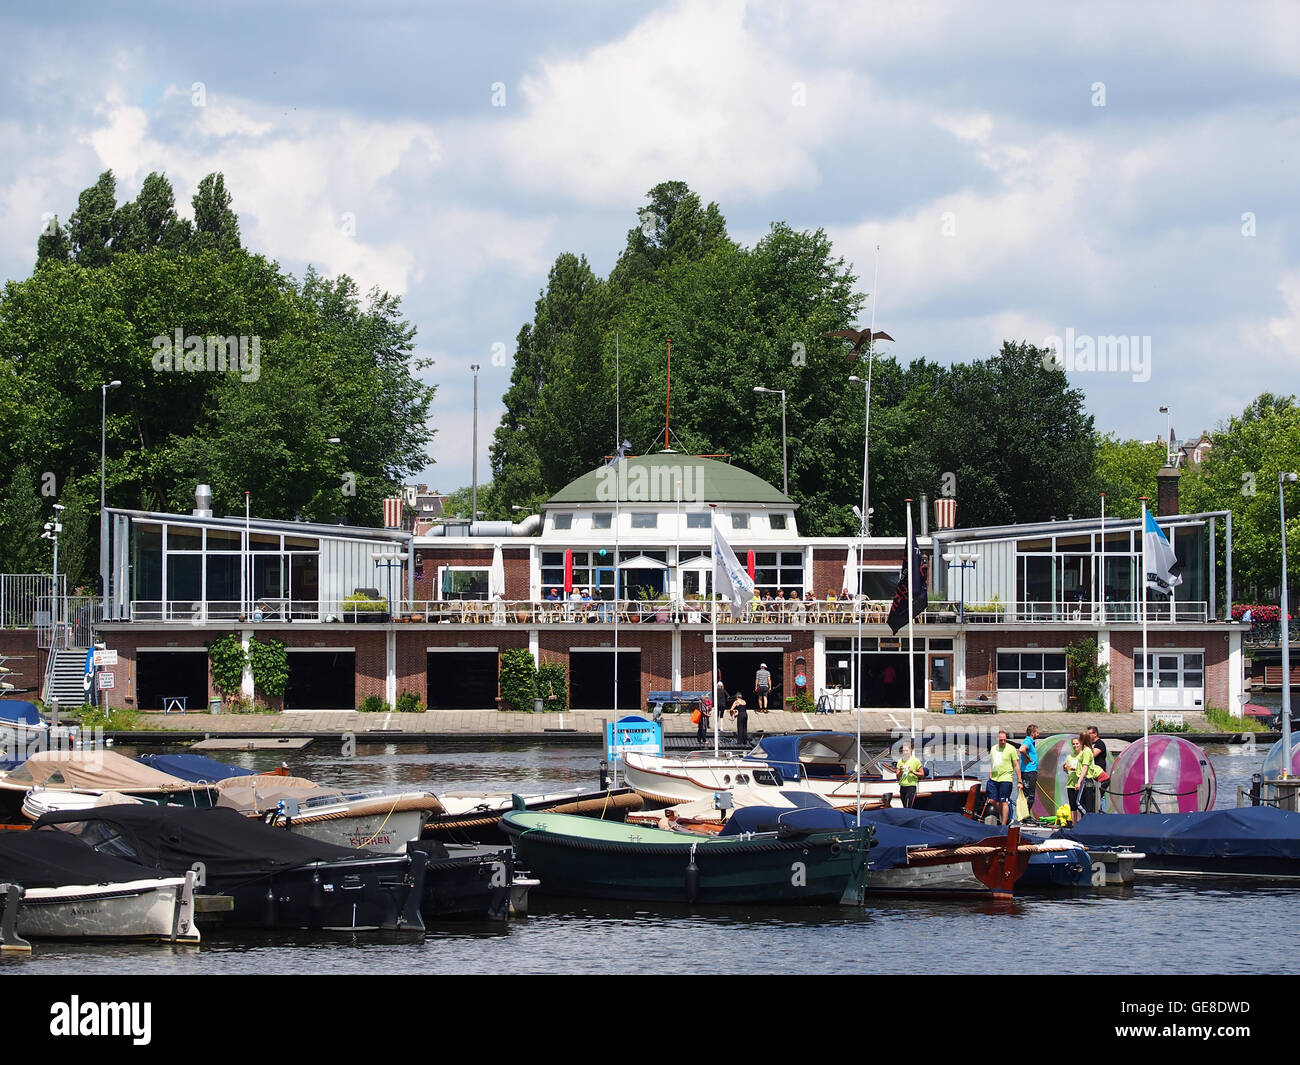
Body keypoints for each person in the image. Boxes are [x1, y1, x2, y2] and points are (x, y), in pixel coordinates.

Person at [986, 729, 1022, 826]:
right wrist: (990, 775)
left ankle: (1003, 824)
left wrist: (1019, 781)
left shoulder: (1011, 749)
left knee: (1004, 802)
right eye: (1001, 740)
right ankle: (1006, 817)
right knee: (992, 800)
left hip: (1006, 779)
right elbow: (992, 763)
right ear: (997, 739)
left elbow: (1016, 765)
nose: (1003, 742)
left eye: (1004, 740)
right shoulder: (993, 748)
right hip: (994, 778)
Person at [1018, 724, 1040, 820]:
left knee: (1030, 794)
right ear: (1033, 733)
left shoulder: (1031, 742)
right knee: (1030, 795)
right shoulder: (1028, 741)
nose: (1038, 734)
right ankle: (1025, 816)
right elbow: (1021, 749)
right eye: (1037, 732)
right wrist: (1028, 757)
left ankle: (1026, 814)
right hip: (1028, 772)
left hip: (1031, 771)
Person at [1086, 725, 1109, 813]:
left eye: (1089, 734)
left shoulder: (1100, 744)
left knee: (1100, 795)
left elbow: (1091, 755)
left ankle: (1102, 813)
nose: (1088, 736)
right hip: (1093, 774)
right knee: (1094, 795)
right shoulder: (1092, 745)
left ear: (1095, 734)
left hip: (1099, 775)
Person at [896, 742, 924, 808]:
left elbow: (922, 775)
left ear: (911, 750)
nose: (905, 753)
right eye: (903, 751)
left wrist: (913, 772)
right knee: (904, 806)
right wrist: (900, 771)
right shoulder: (900, 761)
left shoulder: (916, 761)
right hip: (902, 786)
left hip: (911, 787)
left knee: (908, 806)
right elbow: (897, 776)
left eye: (906, 751)